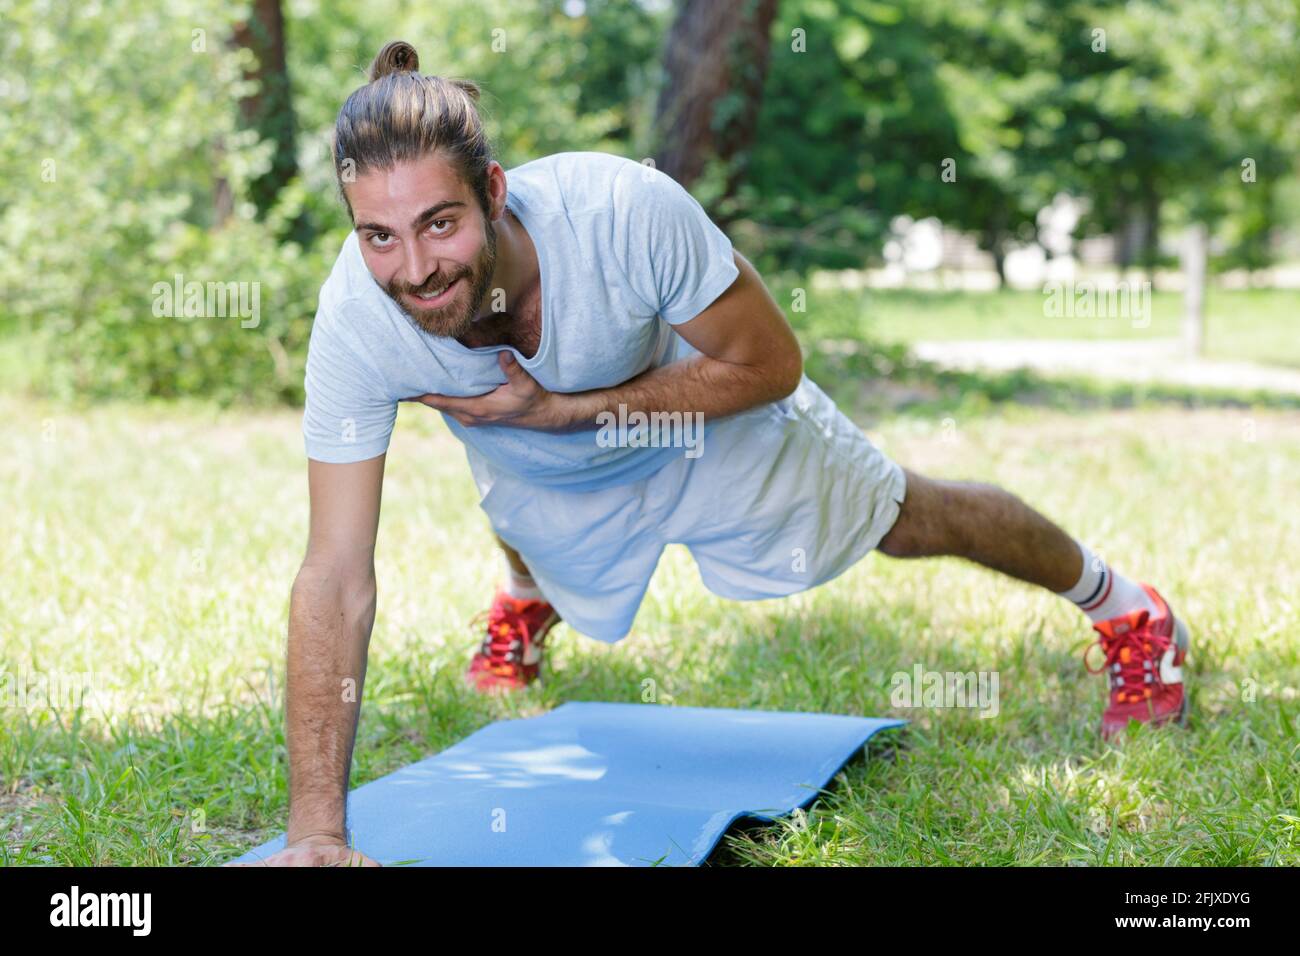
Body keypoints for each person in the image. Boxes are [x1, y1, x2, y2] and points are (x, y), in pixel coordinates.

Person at [241, 41, 1190, 867]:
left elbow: (771, 363)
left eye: (439, 224)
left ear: (493, 191)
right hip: (537, 456)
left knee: (903, 516)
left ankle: (1127, 609)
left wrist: (572, 412)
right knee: (517, 498)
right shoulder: (359, 319)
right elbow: (334, 573)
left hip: (704, 417)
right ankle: (531, 600)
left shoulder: (624, 211)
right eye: (379, 236)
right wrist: (317, 831)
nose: (414, 270)